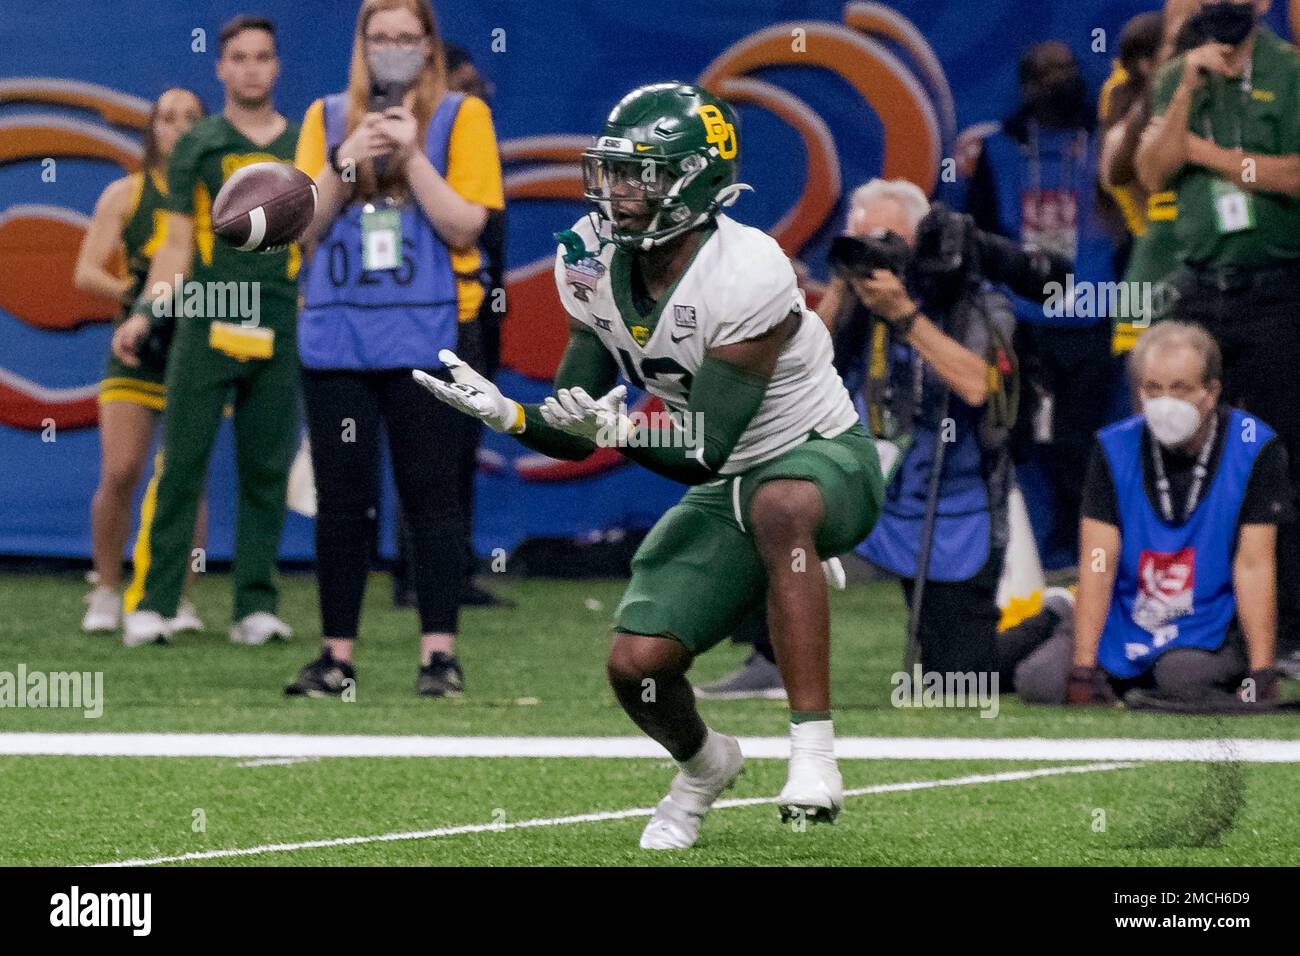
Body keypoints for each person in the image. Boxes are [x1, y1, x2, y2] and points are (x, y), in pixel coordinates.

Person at [417, 82, 882, 848]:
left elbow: (705, 451)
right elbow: (576, 422)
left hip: (819, 455)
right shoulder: (592, 260)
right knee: (637, 664)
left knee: (781, 508)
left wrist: (625, 430)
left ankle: (814, 754)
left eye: (643, 174)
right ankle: (704, 765)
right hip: (730, 482)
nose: (618, 190)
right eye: (612, 171)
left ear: (696, 179)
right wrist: (508, 414)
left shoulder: (749, 269)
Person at [284, 0, 504, 699]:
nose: (393, 50)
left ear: (429, 45)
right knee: (344, 500)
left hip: (430, 328)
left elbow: (466, 225)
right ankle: (335, 657)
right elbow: (300, 228)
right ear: (362, 45)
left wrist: (409, 155)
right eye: (380, 38)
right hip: (340, 330)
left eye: (407, 38)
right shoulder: (324, 117)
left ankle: (439, 656)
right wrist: (345, 164)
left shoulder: (461, 117)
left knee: (431, 496)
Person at [111, 16, 301, 648]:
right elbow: (176, 248)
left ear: (277, 66)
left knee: (266, 470)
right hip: (207, 313)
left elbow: (320, 239)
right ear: (220, 69)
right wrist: (144, 311)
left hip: (281, 317)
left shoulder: (307, 143)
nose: (251, 68)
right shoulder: (197, 144)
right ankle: (152, 604)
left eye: (262, 56)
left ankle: (255, 607)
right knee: (182, 465)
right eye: (238, 58)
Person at [1135, 0, 1300, 678]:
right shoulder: (1180, 74)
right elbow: (1151, 172)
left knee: (1285, 464)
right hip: (1204, 290)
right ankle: (1208, 624)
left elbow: (1294, 175)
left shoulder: (1290, 72)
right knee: (1193, 460)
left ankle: (1288, 634)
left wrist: (1205, 155)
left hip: (1278, 291)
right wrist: (1187, 97)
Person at [1013, 322, 1290, 710]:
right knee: (1040, 682)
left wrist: (1262, 672)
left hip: (1205, 621)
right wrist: (1082, 667)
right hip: (1126, 614)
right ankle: (1061, 618)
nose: (1164, 402)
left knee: (1183, 678)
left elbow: (1254, 564)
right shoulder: (1114, 446)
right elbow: (1098, 560)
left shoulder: (1254, 447)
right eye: (1152, 389)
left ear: (1211, 392)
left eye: (1179, 388)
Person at [819, 180, 1018, 677]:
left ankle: (1055, 618)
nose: (872, 253)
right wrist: (842, 287)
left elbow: (978, 386)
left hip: (953, 506)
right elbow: (799, 365)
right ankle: (769, 660)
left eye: (883, 239)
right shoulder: (856, 301)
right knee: (775, 510)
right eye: (858, 238)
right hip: (873, 491)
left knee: (958, 677)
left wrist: (904, 316)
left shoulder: (974, 303)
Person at [965, 41, 1120, 569]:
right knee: (1022, 440)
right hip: (1022, 325)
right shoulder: (999, 150)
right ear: (1026, 86)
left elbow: (1131, 229)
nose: (1060, 80)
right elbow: (982, 235)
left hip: (1092, 314)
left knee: (1084, 441)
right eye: (1046, 73)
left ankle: (1087, 548)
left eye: (1068, 70)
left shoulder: (1104, 142)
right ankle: (1033, 548)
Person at [74, 88, 208, 636]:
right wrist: (138, 295)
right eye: (167, 118)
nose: (177, 128)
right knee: (121, 470)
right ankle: (106, 587)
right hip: (136, 349)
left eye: (190, 119)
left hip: (193, 347)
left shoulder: (215, 198)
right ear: (151, 129)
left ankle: (178, 598)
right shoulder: (125, 194)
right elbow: (86, 273)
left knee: (184, 477)